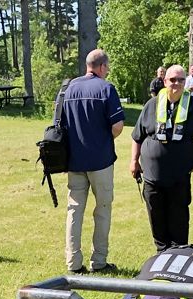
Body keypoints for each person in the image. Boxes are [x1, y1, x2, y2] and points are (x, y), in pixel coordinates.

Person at [130, 65, 193, 252]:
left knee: (178, 217)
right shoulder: (151, 105)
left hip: (179, 175)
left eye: (181, 80)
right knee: (156, 215)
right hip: (152, 176)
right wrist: (133, 161)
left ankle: (178, 254)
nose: (176, 83)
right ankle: (161, 252)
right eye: (172, 80)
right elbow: (138, 136)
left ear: (185, 82)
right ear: (164, 81)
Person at [61, 48, 125, 273]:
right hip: (101, 160)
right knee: (103, 210)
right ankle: (99, 261)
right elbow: (117, 126)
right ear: (102, 67)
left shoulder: (69, 89)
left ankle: (73, 262)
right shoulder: (106, 88)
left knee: (74, 210)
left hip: (75, 160)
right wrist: (105, 139)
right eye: (107, 67)